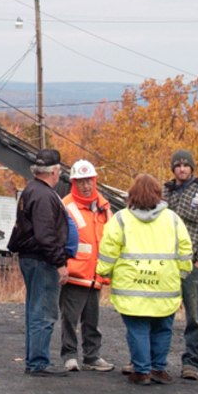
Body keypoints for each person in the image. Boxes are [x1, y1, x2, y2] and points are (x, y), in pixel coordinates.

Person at [96, 174, 193, 385]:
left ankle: (141, 371)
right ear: (158, 194)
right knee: (163, 327)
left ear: (132, 195)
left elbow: (108, 249)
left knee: (137, 328)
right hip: (165, 285)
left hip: (131, 286)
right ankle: (158, 368)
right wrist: (183, 272)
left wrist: (103, 271)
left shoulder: (120, 219)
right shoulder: (173, 219)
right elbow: (185, 249)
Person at [6, 148, 71, 377]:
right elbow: (46, 235)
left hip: (31, 258)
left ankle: (35, 359)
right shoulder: (44, 195)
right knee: (43, 312)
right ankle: (38, 362)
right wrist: (60, 262)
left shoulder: (30, 190)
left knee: (35, 310)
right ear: (55, 171)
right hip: (41, 260)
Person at [163, 149, 198, 380]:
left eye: (186, 165)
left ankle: (191, 363)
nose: (182, 169)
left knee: (194, 317)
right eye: (178, 165)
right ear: (173, 169)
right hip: (166, 263)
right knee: (161, 313)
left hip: (193, 264)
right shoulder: (165, 193)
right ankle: (158, 360)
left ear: (192, 168)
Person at [59, 159, 115, 372]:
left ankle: (92, 356)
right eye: (80, 181)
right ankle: (70, 356)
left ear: (95, 181)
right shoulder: (66, 205)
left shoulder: (103, 206)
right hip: (74, 273)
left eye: (88, 181)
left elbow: (111, 237)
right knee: (70, 319)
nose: (85, 185)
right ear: (73, 182)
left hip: (96, 274)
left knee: (92, 320)